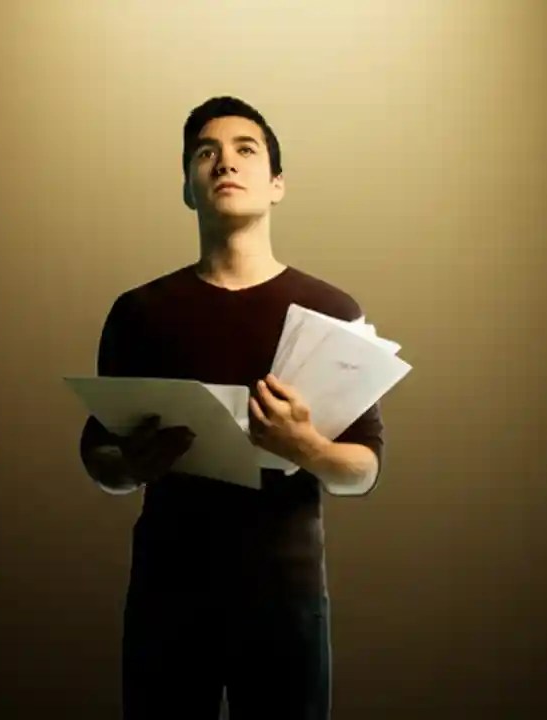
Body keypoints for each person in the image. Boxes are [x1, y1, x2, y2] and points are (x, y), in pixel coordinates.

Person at [78, 96, 386, 720]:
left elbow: (363, 470)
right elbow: (99, 458)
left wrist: (307, 448)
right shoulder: (139, 311)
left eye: (246, 150)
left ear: (276, 184)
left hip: (286, 598)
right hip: (167, 595)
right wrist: (130, 463)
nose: (225, 163)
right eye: (205, 153)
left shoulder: (332, 310)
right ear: (187, 188)